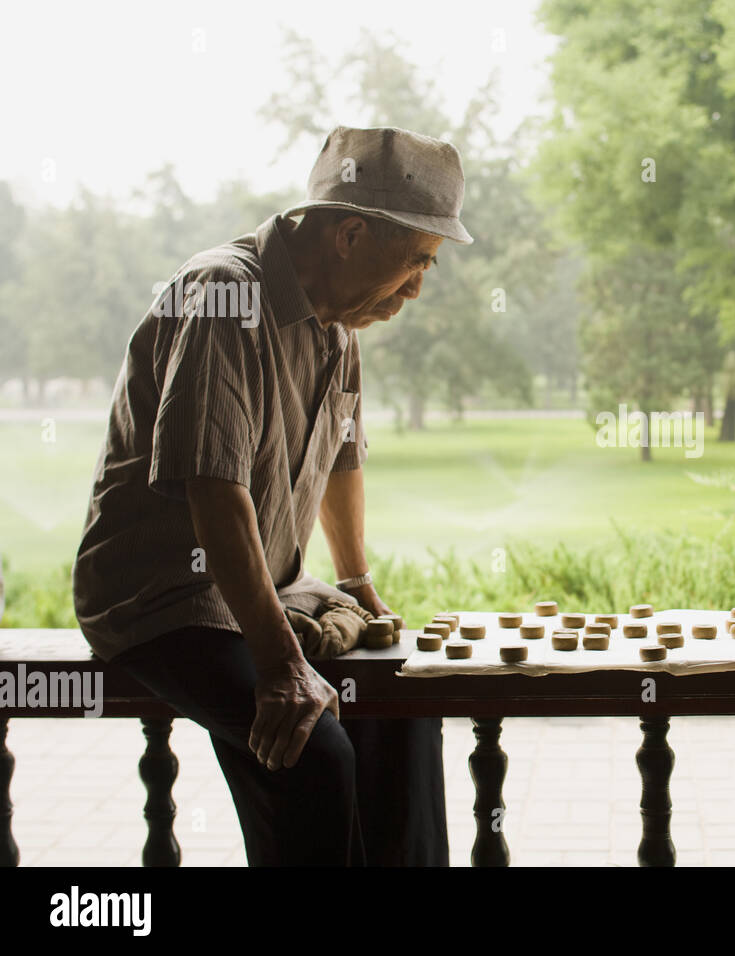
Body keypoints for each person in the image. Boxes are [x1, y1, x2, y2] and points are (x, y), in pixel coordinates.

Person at [72, 125, 475, 866]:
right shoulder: (225, 294)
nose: (419, 287)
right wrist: (282, 663)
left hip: (267, 588)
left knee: (405, 705)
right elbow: (214, 488)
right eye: (416, 261)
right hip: (165, 600)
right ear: (351, 235)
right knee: (312, 751)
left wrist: (355, 583)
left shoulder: (338, 325)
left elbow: (343, 457)